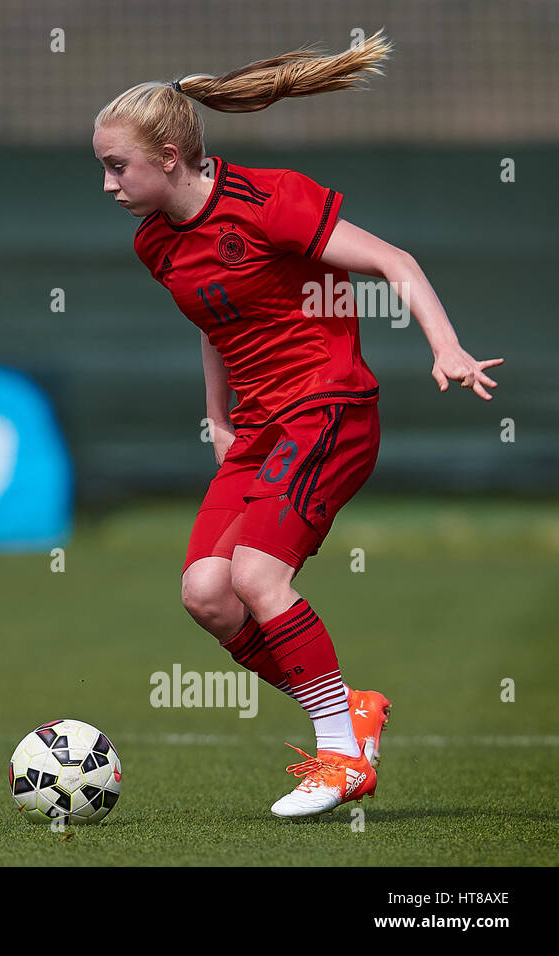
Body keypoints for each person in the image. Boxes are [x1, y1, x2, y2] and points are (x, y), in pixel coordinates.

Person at [91, 31, 503, 817]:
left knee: (257, 577)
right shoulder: (155, 242)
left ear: (170, 156)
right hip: (258, 432)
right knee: (208, 594)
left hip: (329, 408)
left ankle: (342, 760)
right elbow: (214, 325)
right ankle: (349, 708)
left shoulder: (268, 200)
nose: (108, 183)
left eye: (118, 165)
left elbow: (395, 262)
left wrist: (445, 345)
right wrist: (218, 419)